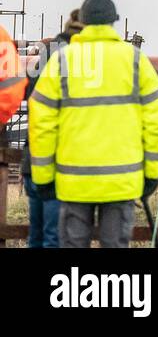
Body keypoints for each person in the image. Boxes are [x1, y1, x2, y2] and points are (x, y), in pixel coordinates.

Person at [28, 0, 158, 248]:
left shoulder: (62, 61)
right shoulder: (135, 61)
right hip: (121, 180)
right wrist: (151, 174)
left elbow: (41, 123)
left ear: (83, 20)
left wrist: (44, 177)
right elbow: (157, 120)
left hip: (73, 181)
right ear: (113, 21)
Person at [19, 13, 82, 248]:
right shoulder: (79, 62)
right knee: (54, 236)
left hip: (33, 158)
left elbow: (29, 95)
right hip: (59, 163)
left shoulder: (46, 57)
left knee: (37, 235)